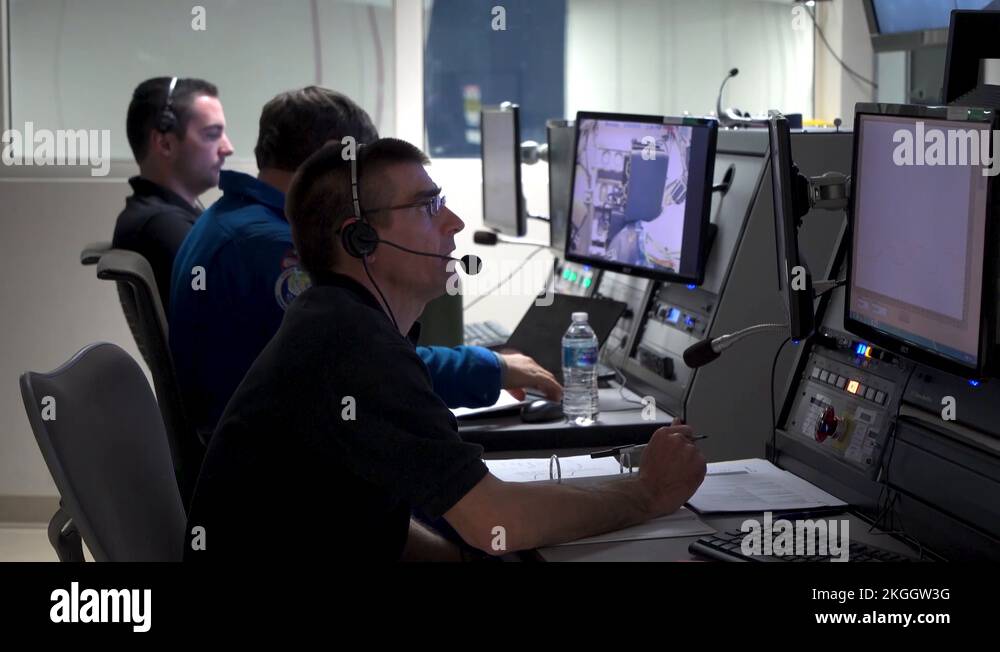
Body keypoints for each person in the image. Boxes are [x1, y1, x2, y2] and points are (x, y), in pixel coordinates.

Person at [184, 138, 706, 561]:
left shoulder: (340, 323)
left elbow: (371, 523)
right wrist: (647, 493)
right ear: (361, 239)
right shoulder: (352, 347)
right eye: (428, 205)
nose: (454, 221)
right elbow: (496, 520)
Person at [170, 87, 559, 436]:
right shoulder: (275, 249)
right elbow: (372, 371)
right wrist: (491, 368)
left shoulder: (230, 220)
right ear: (332, 158)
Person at [112, 77, 233, 309]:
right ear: (165, 144)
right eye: (212, 134)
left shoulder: (161, 217)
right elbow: (217, 305)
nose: (228, 147)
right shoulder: (164, 226)